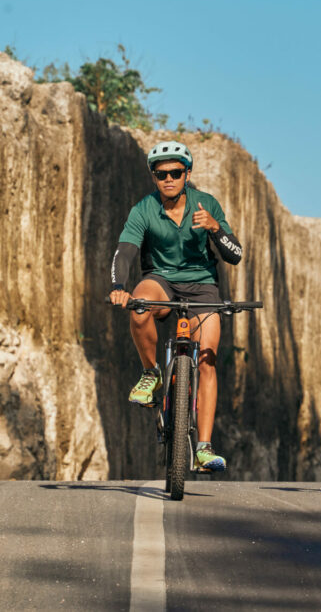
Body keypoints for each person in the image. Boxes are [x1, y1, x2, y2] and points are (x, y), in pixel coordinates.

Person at [109, 141, 244, 472]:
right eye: (161, 174)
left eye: (175, 172)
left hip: (202, 287)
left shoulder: (206, 204)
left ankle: (203, 447)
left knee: (208, 360)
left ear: (187, 174)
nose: (168, 179)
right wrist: (117, 287)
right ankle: (151, 373)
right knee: (139, 306)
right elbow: (125, 251)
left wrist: (215, 228)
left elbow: (235, 254)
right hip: (160, 281)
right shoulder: (143, 209)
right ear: (154, 178)